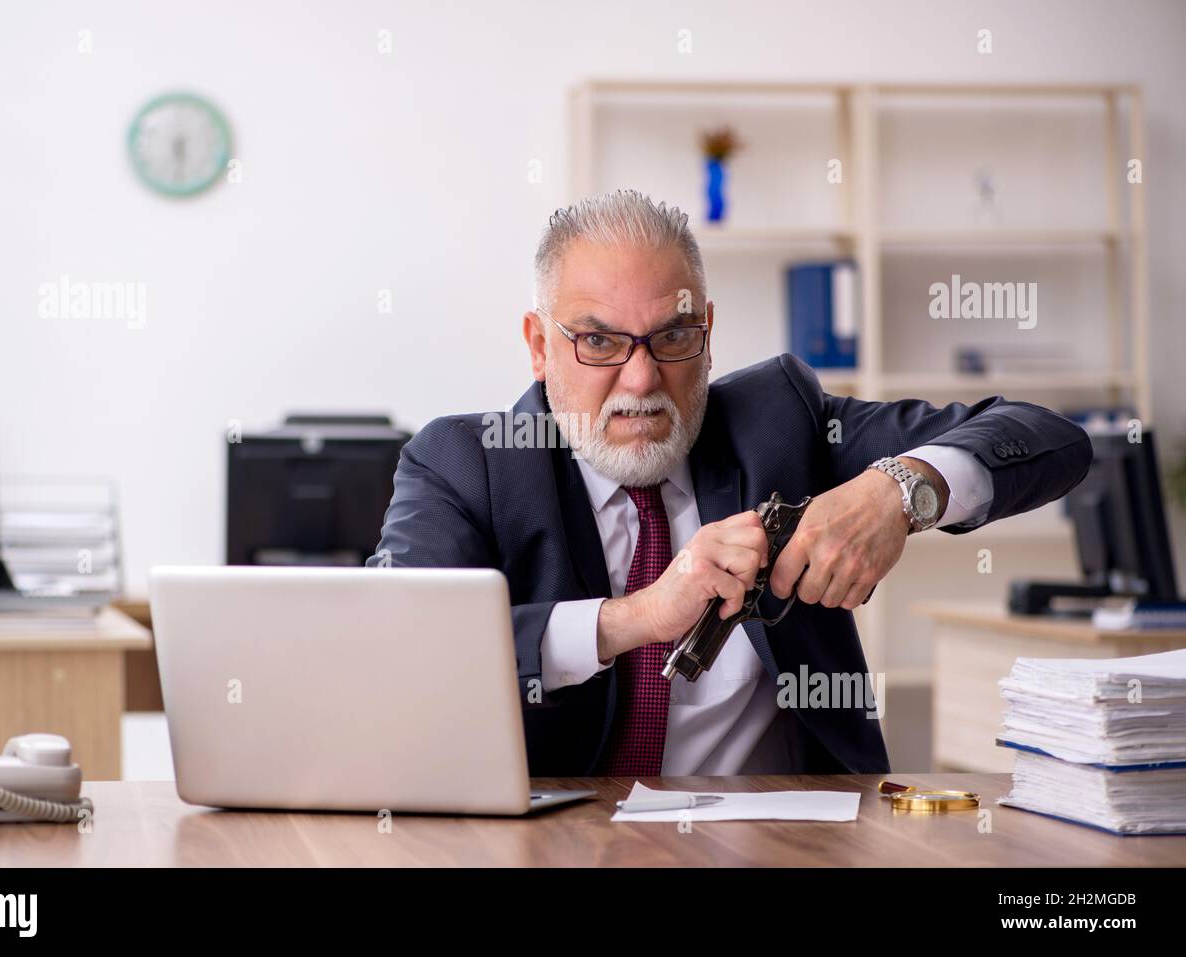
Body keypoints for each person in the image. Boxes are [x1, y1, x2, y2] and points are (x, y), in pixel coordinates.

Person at [369, 189, 1093, 777]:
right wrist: (641, 616)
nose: (643, 378)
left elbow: (1048, 437)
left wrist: (900, 489)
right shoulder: (464, 462)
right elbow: (401, 652)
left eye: (674, 337)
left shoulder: (780, 421)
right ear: (538, 345)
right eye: (599, 341)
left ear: (708, 331)